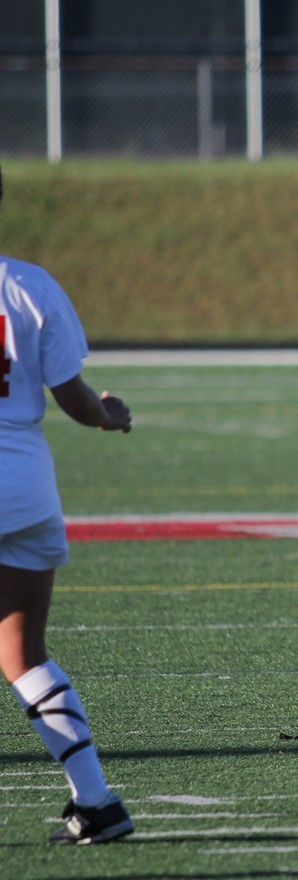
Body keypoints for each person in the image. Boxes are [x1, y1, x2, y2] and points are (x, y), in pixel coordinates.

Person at [0, 165, 136, 842]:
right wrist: (111, 415)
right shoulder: (30, 284)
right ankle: (97, 801)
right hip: (25, 479)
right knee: (23, 653)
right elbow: (77, 400)